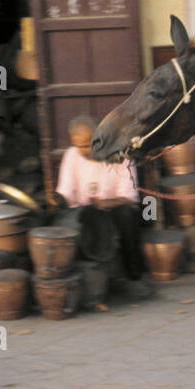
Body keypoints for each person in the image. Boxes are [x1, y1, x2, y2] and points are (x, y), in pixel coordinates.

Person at [55, 113, 149, 298]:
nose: (82, 150)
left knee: (128, 214)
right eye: (78, 145)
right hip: (83, 213)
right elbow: (66, 191)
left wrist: (105, 203)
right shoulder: (72, 155)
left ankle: (134, 277)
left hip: (113, 212)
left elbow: (130, 197)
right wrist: (56, 200)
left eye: (87, 144)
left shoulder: (121, 155)